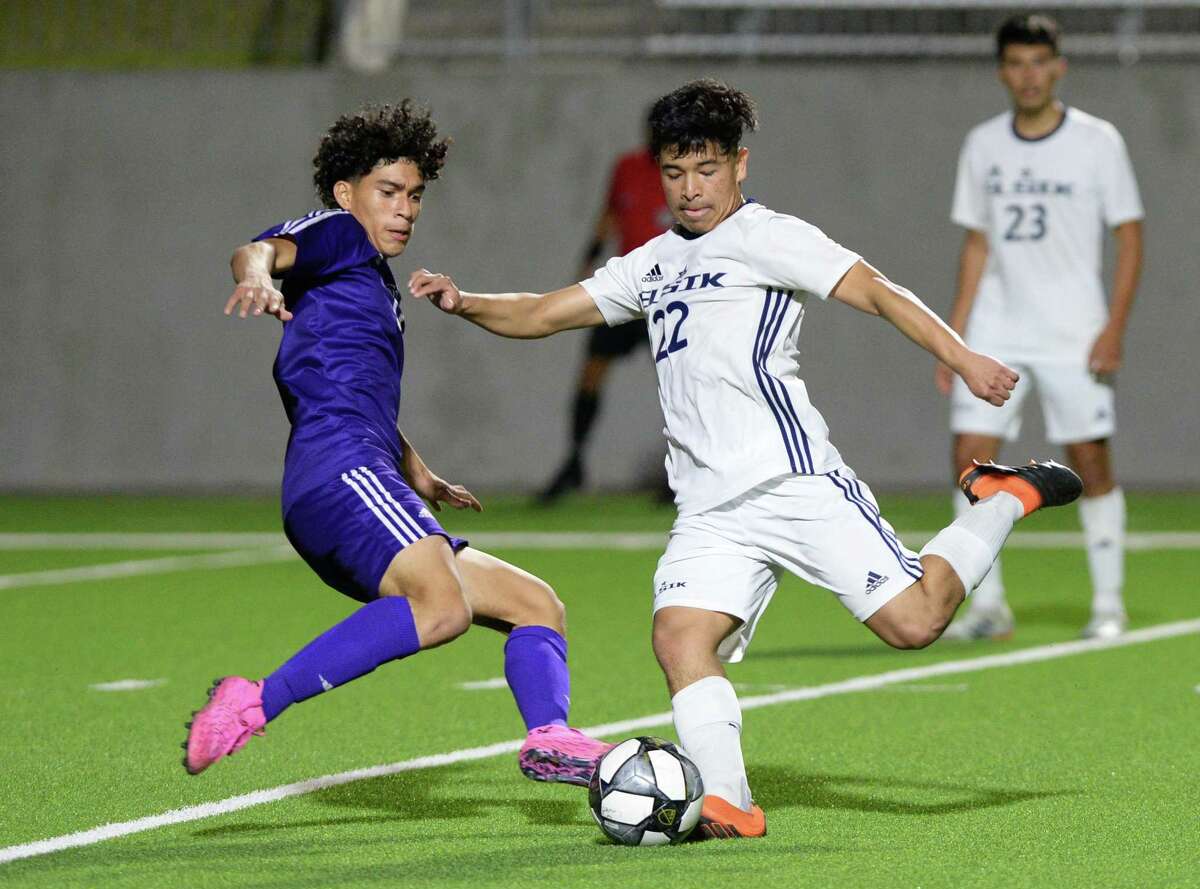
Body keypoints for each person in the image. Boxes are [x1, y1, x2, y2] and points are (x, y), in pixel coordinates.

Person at [409, 79, 1083, 839]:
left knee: (916, 622)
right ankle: (728, 800)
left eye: (706, 170)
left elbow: (880, 291)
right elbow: (540, 312)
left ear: (739, 165)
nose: (690, 190)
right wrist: (466, 302)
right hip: (708, 509)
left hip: (793, 480)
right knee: (680, 638)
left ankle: (1000, 498)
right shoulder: (650, 262)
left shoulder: (771, 236)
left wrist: (962, 358)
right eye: (674, 173)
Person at [182, 101, 610, 785]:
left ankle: (550, 737)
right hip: (338, 472)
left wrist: (421, 473)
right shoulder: (338, 235)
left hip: (362, 471)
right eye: (389, 192)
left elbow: (358, 394)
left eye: (414, 196)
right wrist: (255, 275)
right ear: (348, 193)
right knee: (441, 609)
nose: (405, 209)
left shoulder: (371, 286)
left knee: (536, 604)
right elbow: (258, 249)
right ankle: (253, 702)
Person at [937, 14, 1144, 642]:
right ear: (1003, 72)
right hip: (999, 329)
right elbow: (977, 244)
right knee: (970, 464)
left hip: (1074, 331)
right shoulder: (983, 144)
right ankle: (987, 605)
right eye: (1016, 64)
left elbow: (1130, 237)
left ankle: (1108, 602)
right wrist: (954, 339)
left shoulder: (1097, 141)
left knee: (1089, 460)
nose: (1029, 75)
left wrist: (1112, 328)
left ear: (1059, 66)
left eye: (1039, 62)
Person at [538, 118, 674, 503]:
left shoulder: (680, 172)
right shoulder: (627, 167)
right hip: (626, 292)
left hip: (667, 295)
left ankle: (688, 473)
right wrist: (589, 259)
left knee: (680, 383)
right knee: (591, 374)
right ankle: (574, 461)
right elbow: (610, 215)